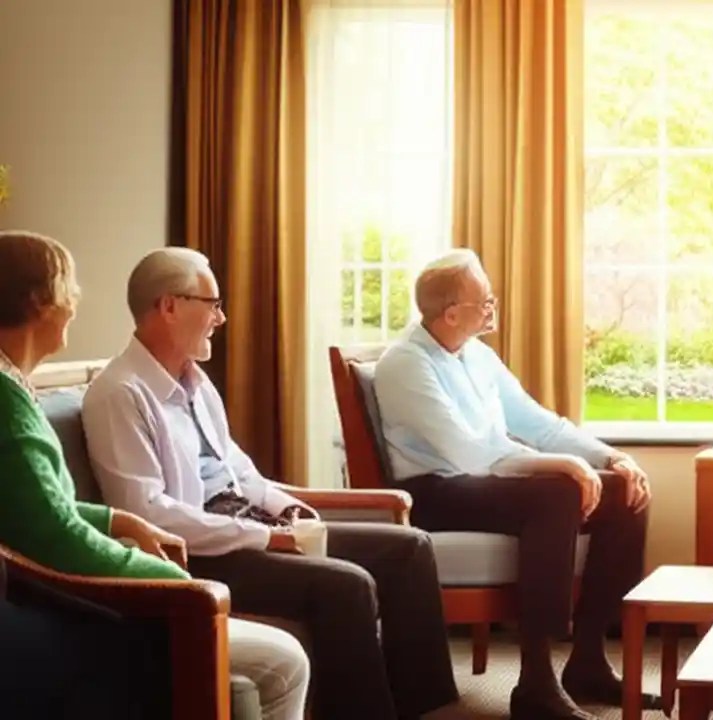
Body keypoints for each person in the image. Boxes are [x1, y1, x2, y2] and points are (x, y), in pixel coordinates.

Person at [81, 247, 457, 720]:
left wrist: (285, 509)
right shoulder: (120, 393)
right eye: (212, 303)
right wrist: (267, 536)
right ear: (169, 306)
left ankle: (428, 709)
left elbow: (240, 470)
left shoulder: (195, 382)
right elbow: (148, 512)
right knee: (347, 586)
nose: (220, 317)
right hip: (199, 555)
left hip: (246, 526)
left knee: (410, 549)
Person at [0, 230, 308, 719]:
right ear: (39, 302)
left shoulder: (14, 387)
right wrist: (171, 583)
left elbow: (36, 504)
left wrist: (117, 522)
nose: (77, 302)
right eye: (70, 288)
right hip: (54, 597)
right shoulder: (9, 401)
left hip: (69, 578)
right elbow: (54, 534)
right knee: (285, 661)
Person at [374, 249, 656, 720]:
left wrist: (611, 458)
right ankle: (535, 682)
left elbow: (540, 424)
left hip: (484, 481)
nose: (492, 308)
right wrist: (563, 466)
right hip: (433, 491)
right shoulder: (405, 364)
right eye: (484, 301)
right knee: (555, 493)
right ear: (450, 314)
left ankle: (587, 659)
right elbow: (467, 453)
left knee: (626, 495)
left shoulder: (476, 355)